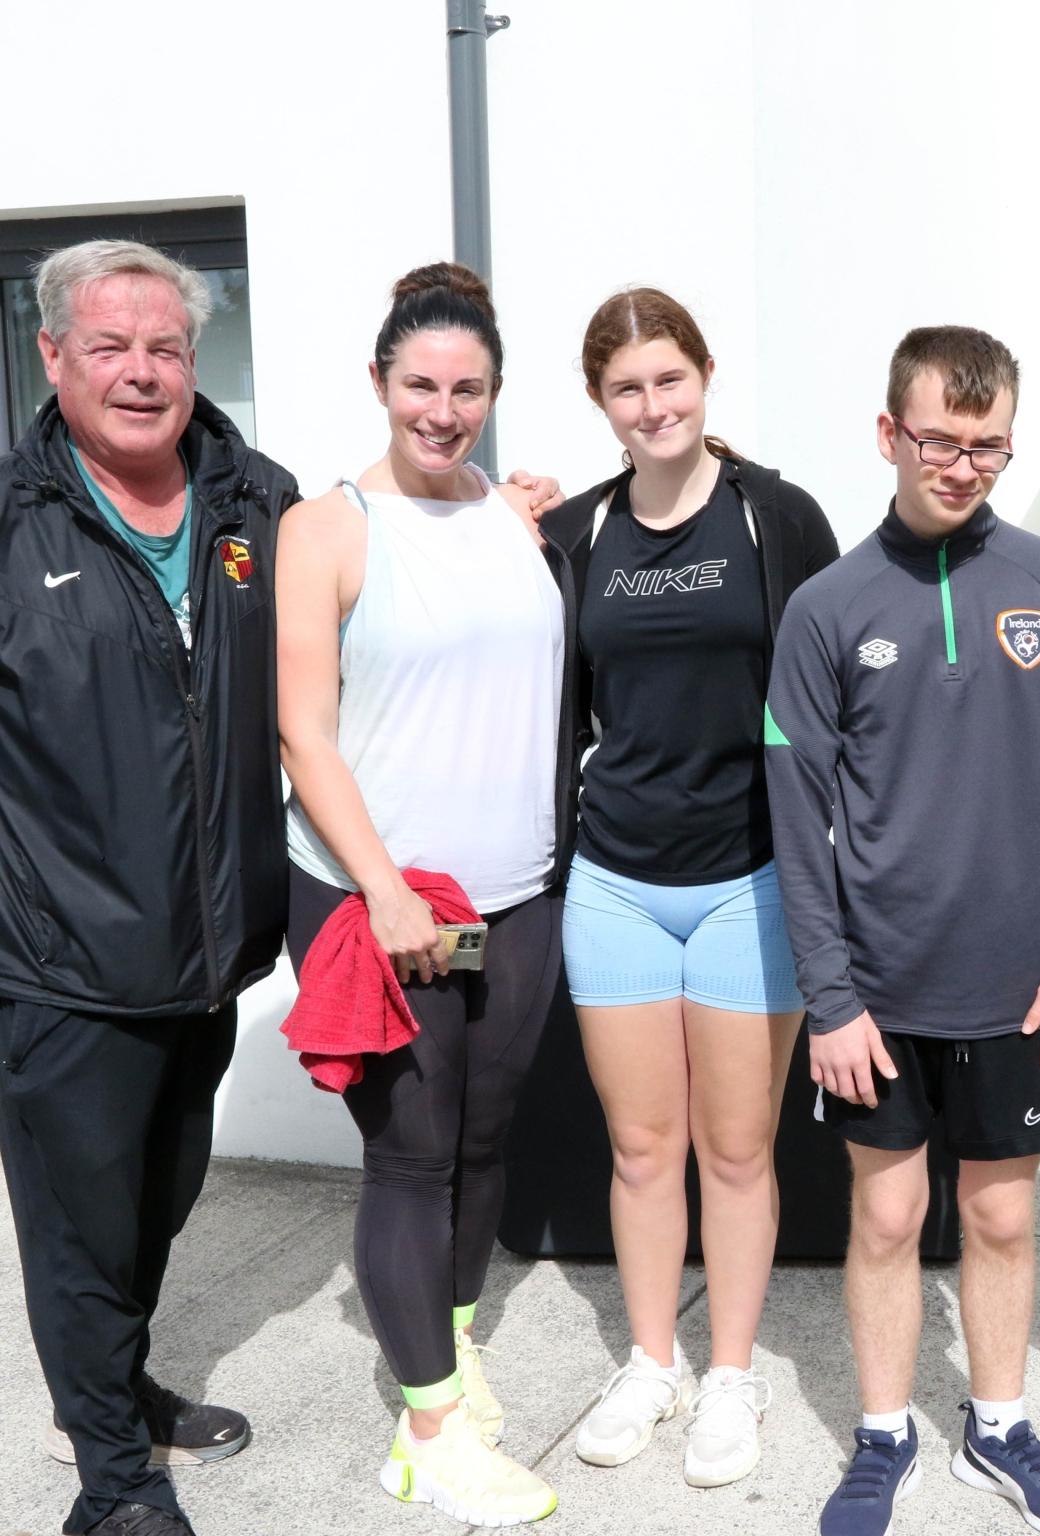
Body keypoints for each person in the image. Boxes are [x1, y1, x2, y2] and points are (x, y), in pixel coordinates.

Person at [765, 325, 1040, 1536]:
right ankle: (881, 1436)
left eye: (987, 445)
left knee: (1003, 1213)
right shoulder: (826, 607)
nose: (963, 465)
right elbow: (794, 814)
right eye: (939, 440)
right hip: (875, 985)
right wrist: (828, 995)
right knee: (882, 1215)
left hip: (1023, 985)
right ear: (889, 434)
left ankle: (1001, 1428)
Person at [0, 239, 297, 1536]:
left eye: (166, 347)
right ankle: (114, 1485)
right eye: (110, 346)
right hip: (62, 970)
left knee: (159, 1204)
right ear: (51, 356)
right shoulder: (13, 532)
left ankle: (117, 1393)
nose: (142, 372)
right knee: (77, 1236)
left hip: (207, 956)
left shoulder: (259, 504)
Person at [277, 262, 574, 1528]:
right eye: (420, 386)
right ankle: (432, 1429)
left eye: (468, 389)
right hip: (378, 902)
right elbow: (303, 730)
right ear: (378, 384)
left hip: (515, 895)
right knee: (409, 1158)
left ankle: (445, 1352)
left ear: (494, 396)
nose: (442, 410)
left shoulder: (511, 520)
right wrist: (385, 889)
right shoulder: (326, 528)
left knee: (485, 1138)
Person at [539, 288, 836, 1485]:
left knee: (736, 1150)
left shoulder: (776, 516)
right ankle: (651, 1361)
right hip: (614, 879)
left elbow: (835, 701)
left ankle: (730, 1377)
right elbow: (547, 708)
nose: (653, 406)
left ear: (704, 378)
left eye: (671, 380)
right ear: (600, 403)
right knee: (640, 1147)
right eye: (627, 388)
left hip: (749, 881)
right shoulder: (572, 533)